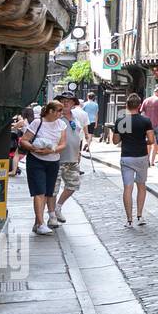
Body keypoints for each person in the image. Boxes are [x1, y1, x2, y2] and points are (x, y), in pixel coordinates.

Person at [20, 102, 67, 235]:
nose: (61, 113)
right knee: (39, 192)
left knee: (47, 192)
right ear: (50, 111)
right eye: (59, 110)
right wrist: (33, 148)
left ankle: (37, 223)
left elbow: (63, 144)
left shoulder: (61, 125)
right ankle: (41, 223)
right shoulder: (37, 122)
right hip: (36, 160)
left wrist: (51, 150)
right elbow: (24, 140)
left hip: (53, 161)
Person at [112, 93, 155, 227]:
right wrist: (142, 142)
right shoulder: (145, 121)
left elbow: (115, 141)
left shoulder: (121, 120)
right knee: (141, 186)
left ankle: (129, 220)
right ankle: (140, 216)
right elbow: (152, 140)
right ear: (140, 106)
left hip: (126, 156)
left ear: (127, 105)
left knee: (127, 188)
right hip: (141, 156)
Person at [51, 93, 88, 224]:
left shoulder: (75, 118)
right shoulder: (56, 118)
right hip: (57, 158)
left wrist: (78, 154)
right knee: (53, 189)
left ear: (73, 104)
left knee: (73, 185)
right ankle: (52, 216)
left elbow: (78, 134)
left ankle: (58, 207)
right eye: (63, 101)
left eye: (69, 101)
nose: (66, 103)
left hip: (72, 158)